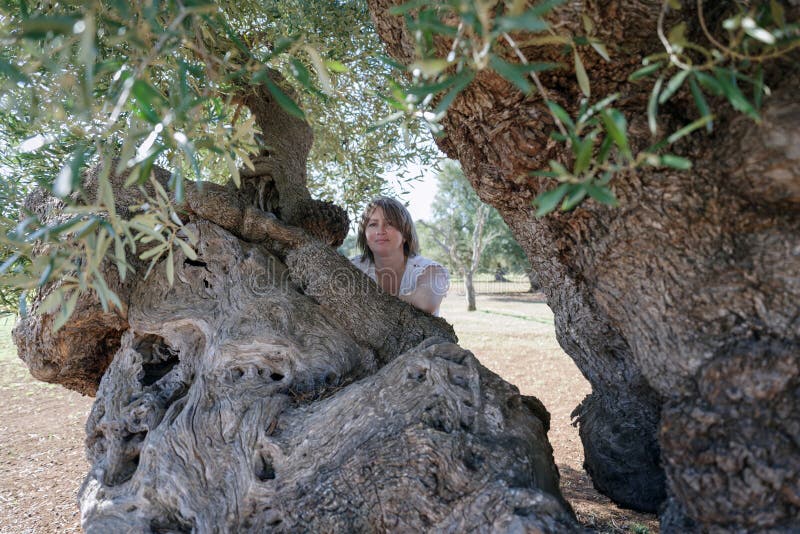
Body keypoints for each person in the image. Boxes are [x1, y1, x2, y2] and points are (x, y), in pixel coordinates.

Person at [351, 197, 449, 316]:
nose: (380, 231)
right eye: (373, 224)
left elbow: (425, 303)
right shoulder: (354, 267)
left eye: (390, 224)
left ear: (405, 234)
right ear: (364, 235)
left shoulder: (430, 269)